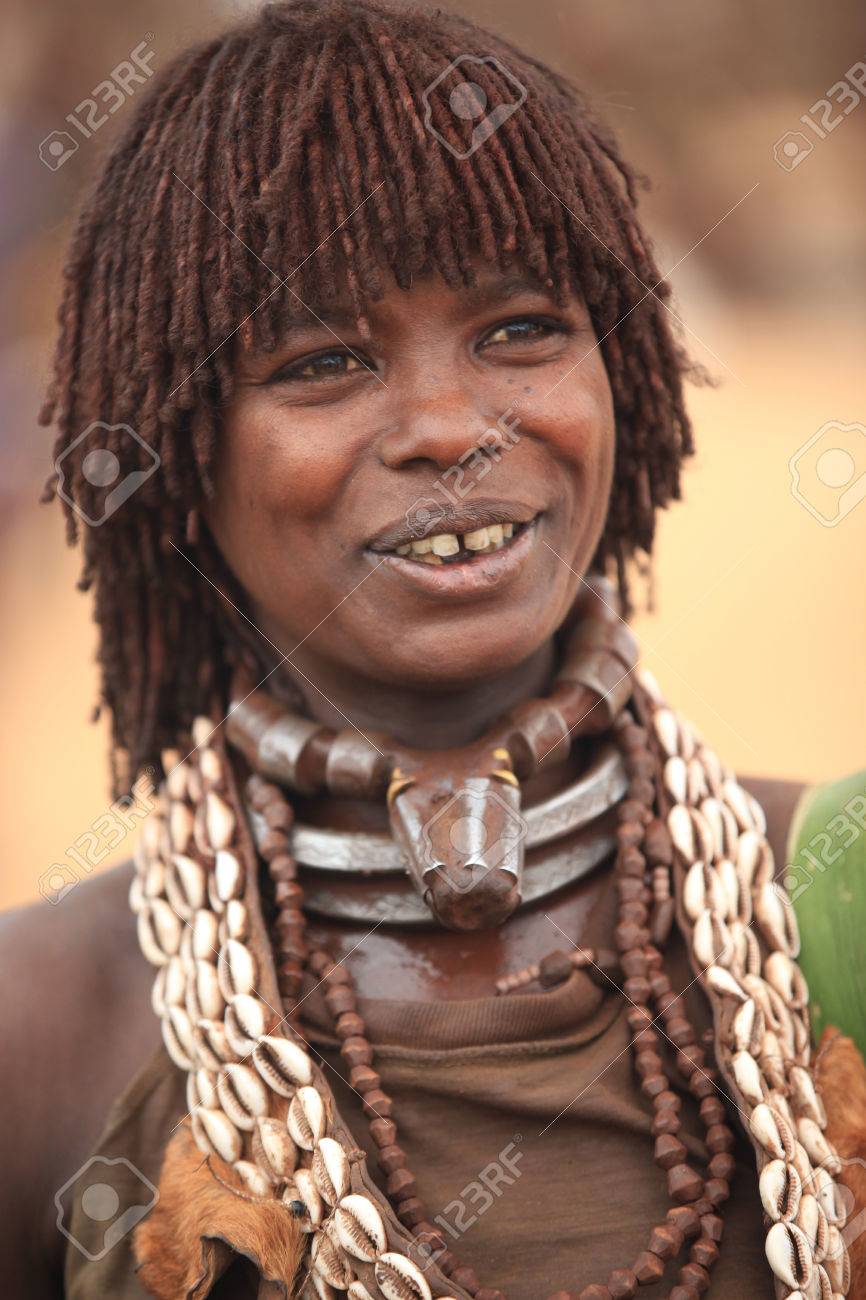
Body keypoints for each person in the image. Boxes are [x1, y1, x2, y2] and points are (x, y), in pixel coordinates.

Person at [1, 2, 864, 1297]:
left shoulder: (836, 906)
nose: (450, 426)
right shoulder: (40, 1026)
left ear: (620, 374)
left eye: (519, 329)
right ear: (179, 451)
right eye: (324, 359)